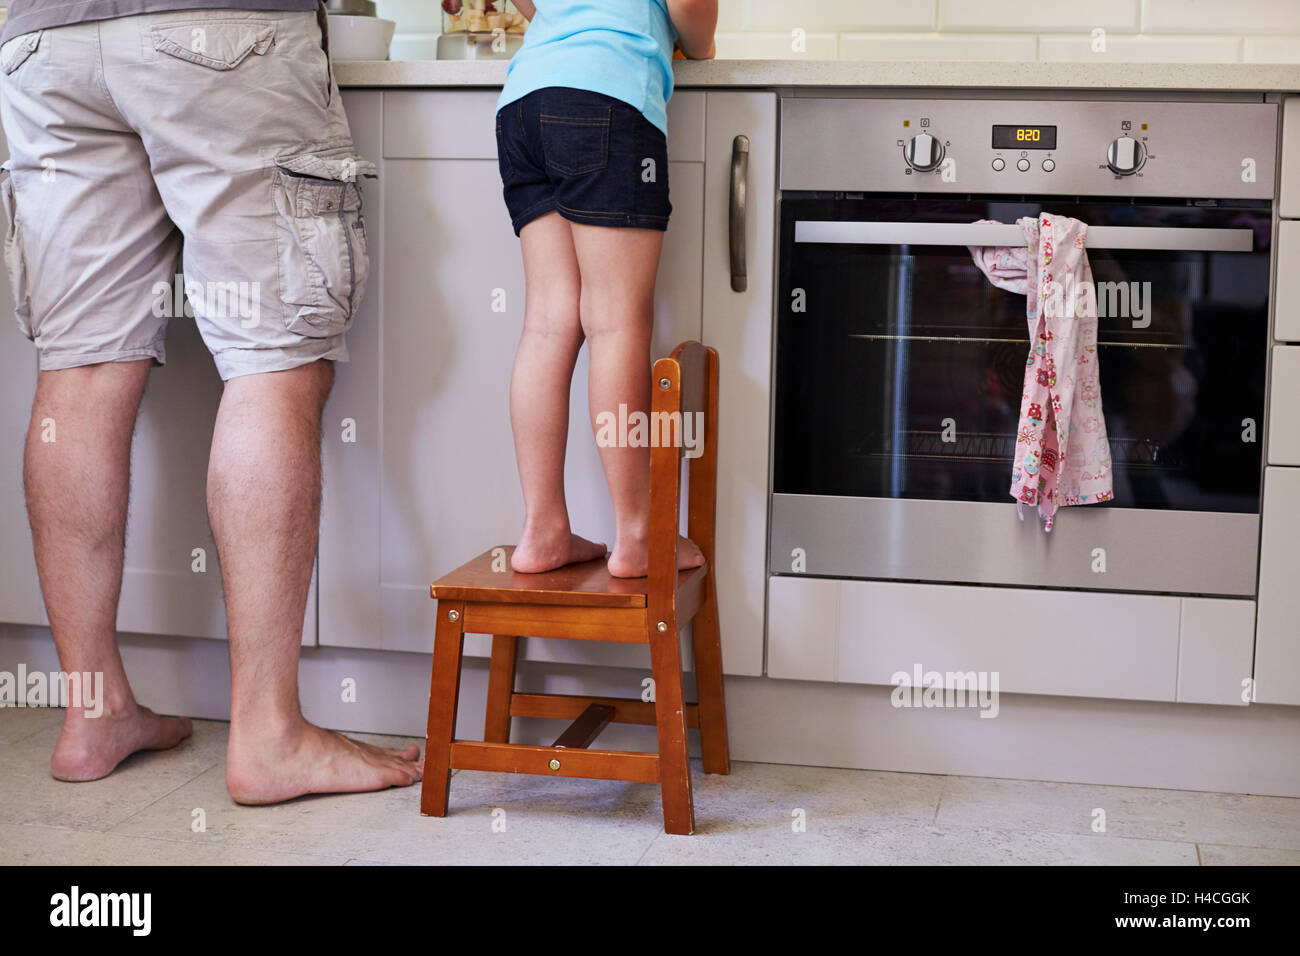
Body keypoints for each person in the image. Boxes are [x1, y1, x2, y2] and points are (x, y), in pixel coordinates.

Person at [0, 2, 422, 799]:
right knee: (273, 359)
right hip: (223, 29)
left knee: (83, 368)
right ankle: (269, 735)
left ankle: (93, 713)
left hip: (43, 41)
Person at [495, 0, 718, 577]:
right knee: (615, 321)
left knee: (548, 323)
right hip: (605, 91)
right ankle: (638, 535)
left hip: (524, 99)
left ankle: (542, 530)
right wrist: (700, 45)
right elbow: (691, 6)